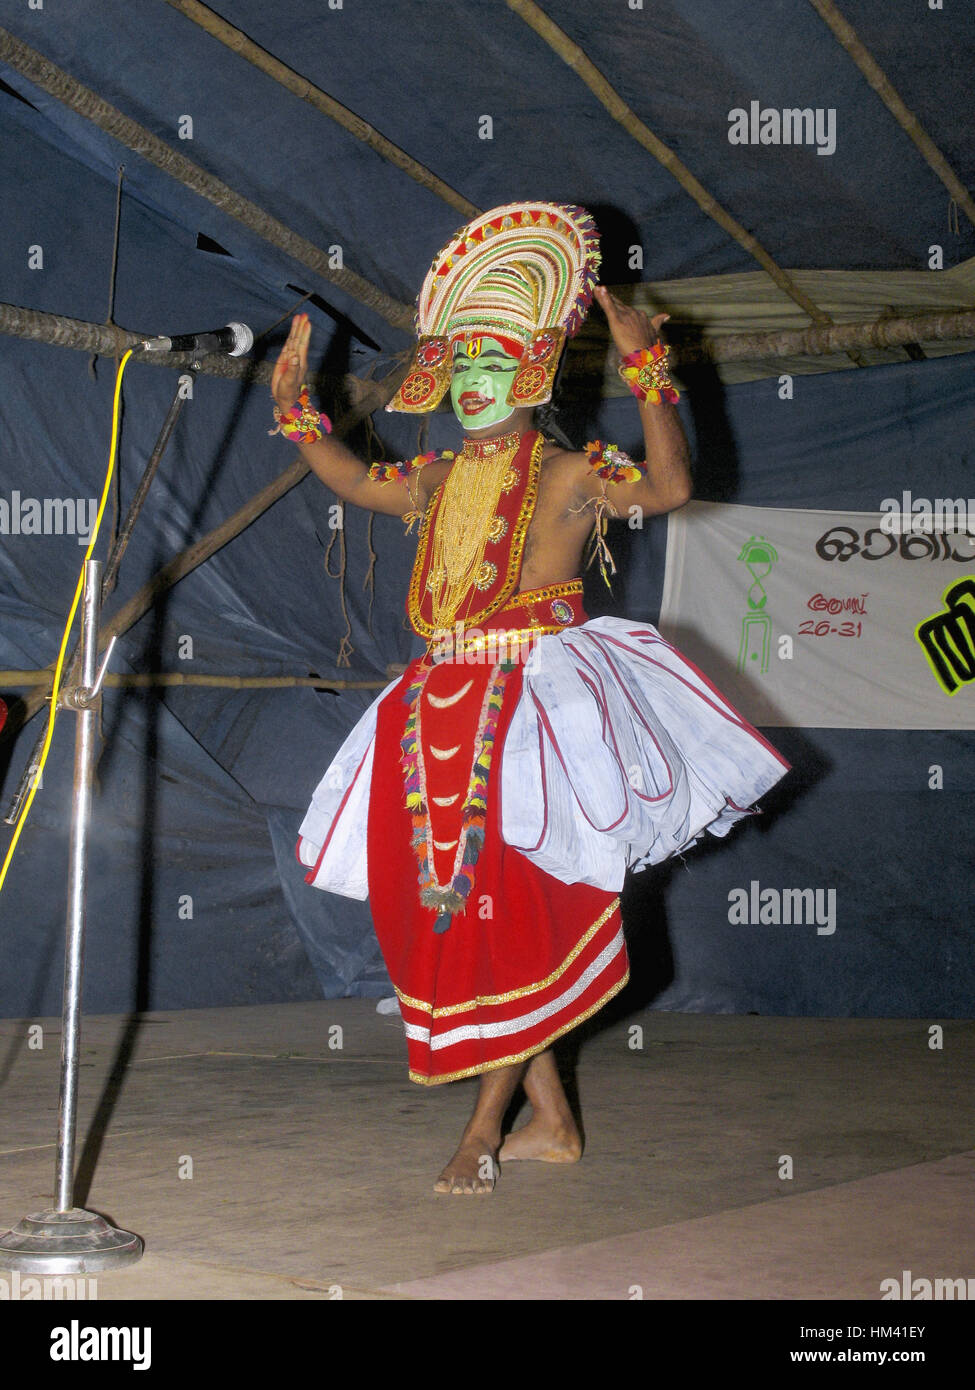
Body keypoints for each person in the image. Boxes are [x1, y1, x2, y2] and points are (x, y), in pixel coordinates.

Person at [271, 203, 789, 1195]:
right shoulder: (432, 478)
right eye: (458, 365)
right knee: (461, 918)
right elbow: (347, 476)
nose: (471, 382)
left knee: (510, 912)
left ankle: (481, 1129)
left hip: (532, 713)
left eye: (491, 364)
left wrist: (648, 376)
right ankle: (553, 1119)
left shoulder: (570, 471)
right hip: (432, 712)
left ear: (532, 373)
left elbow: (673, 488)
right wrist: (300, 410)